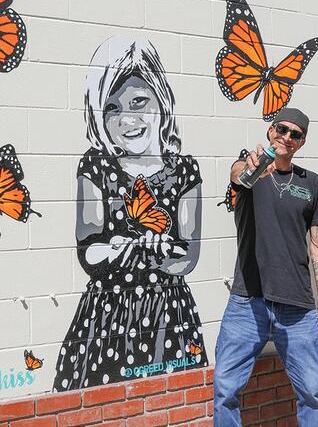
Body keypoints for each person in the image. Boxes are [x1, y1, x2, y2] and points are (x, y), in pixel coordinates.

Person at [52, 35, 208, 392]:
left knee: (173, 401)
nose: (127, 119)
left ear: (161, 101)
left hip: (168, 312)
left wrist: (159, 252)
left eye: (139, 101)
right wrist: (123, 248)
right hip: (108, 313)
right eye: (112, 108)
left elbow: (188, 254)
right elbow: (89, 251)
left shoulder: (184, 169)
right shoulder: (95, 166)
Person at [214, 107, 318, 427]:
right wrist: (252, 164)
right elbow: (238, 174)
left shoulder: (311, 182)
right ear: (271, 131)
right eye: (282, 129)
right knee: (225, 388)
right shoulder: (251, 169)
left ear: (302, 142)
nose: (286, 137)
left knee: (312, 391)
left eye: (295, 134)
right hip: (248, 300)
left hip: (297, 304)